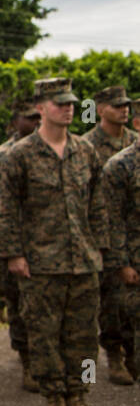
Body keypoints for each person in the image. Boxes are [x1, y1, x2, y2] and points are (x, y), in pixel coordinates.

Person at [0, 77, 114, 406]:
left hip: (83, 262)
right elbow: (6, 210)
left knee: (84, 336)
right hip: (41, 265)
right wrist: (13, 254)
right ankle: (55, 402)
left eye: (71, 102)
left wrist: (101, 247)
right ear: (41, 108)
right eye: (60, 102)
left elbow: (97, 204)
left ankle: (79, 399)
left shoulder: (85, 151)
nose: (68, 108)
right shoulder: (20, 155)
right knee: (44, 335)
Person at [0, 100, 41, 392]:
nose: (35, 122)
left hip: (46, 247)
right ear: (15, 121)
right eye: (29, 118)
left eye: (37, 117)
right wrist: (4, 250)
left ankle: (59, 371)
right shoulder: (1, 157)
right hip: (13, 246)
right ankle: (28, 362)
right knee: (19, 307)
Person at [83, 86, 137, 384]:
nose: (123, 110)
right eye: (116, 106)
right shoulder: (88, 145)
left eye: (126, 105)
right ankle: (114, 356)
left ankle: (132, 355)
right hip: (103, 236)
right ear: (100, 109)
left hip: (134, 236)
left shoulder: (135, 143)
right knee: (111, 303)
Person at [102, 139, 139, 383]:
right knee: (128, 317)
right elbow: (112, 220)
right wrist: (122, 262)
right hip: (134, 257)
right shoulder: (120, 165)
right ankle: (119, 358)